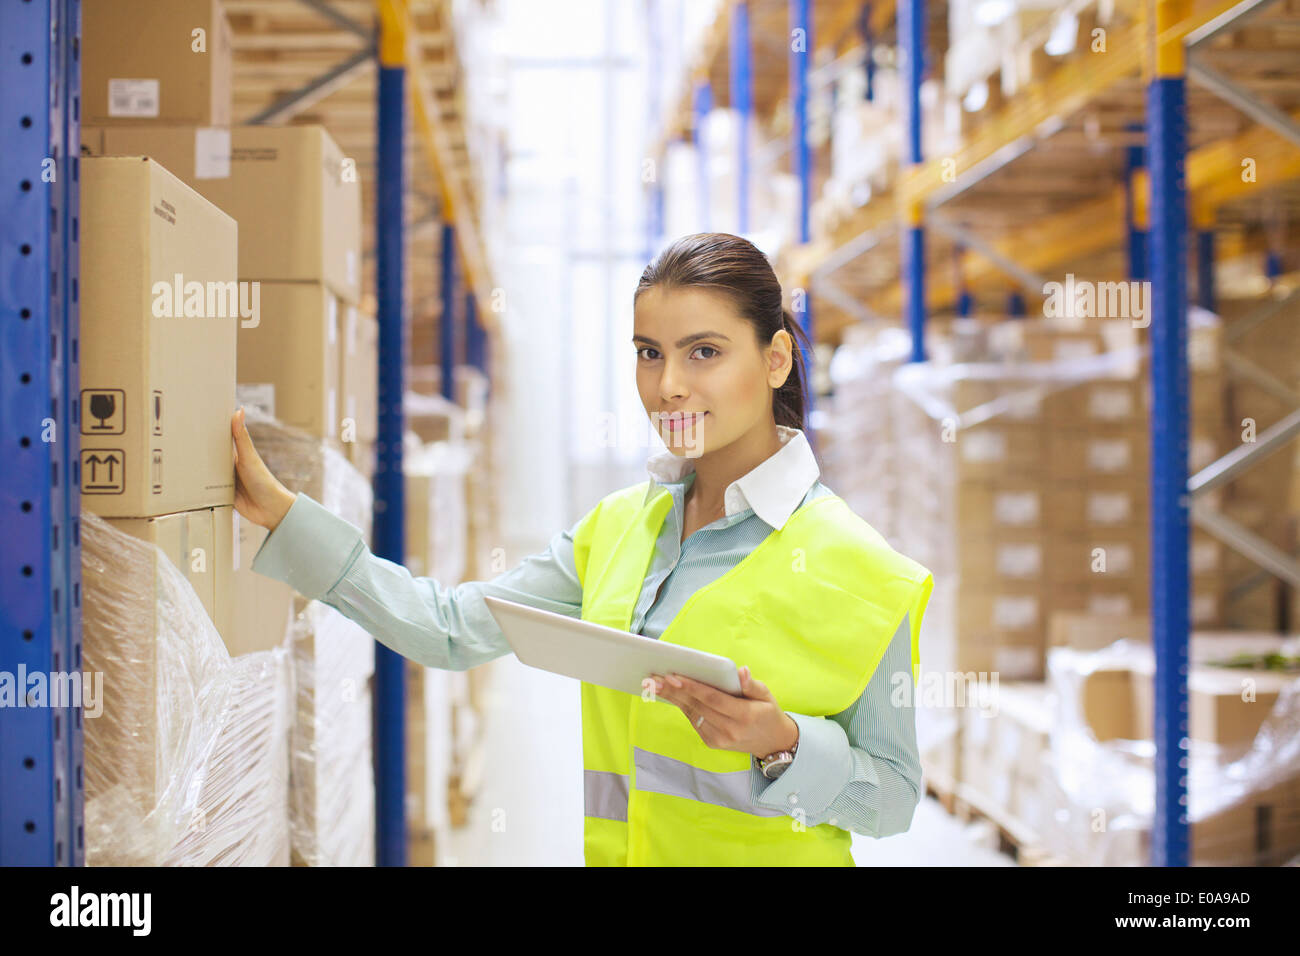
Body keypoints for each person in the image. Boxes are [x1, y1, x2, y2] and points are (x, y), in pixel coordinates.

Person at [232, 232, 934, 867]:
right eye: (649, 354)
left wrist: (782, 744)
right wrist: (288, 520)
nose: (669, 387)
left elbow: (893, 799)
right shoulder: (618, 528)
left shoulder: (864, 572)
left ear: (775, 358)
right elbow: (448, 629)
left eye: (705, 353)